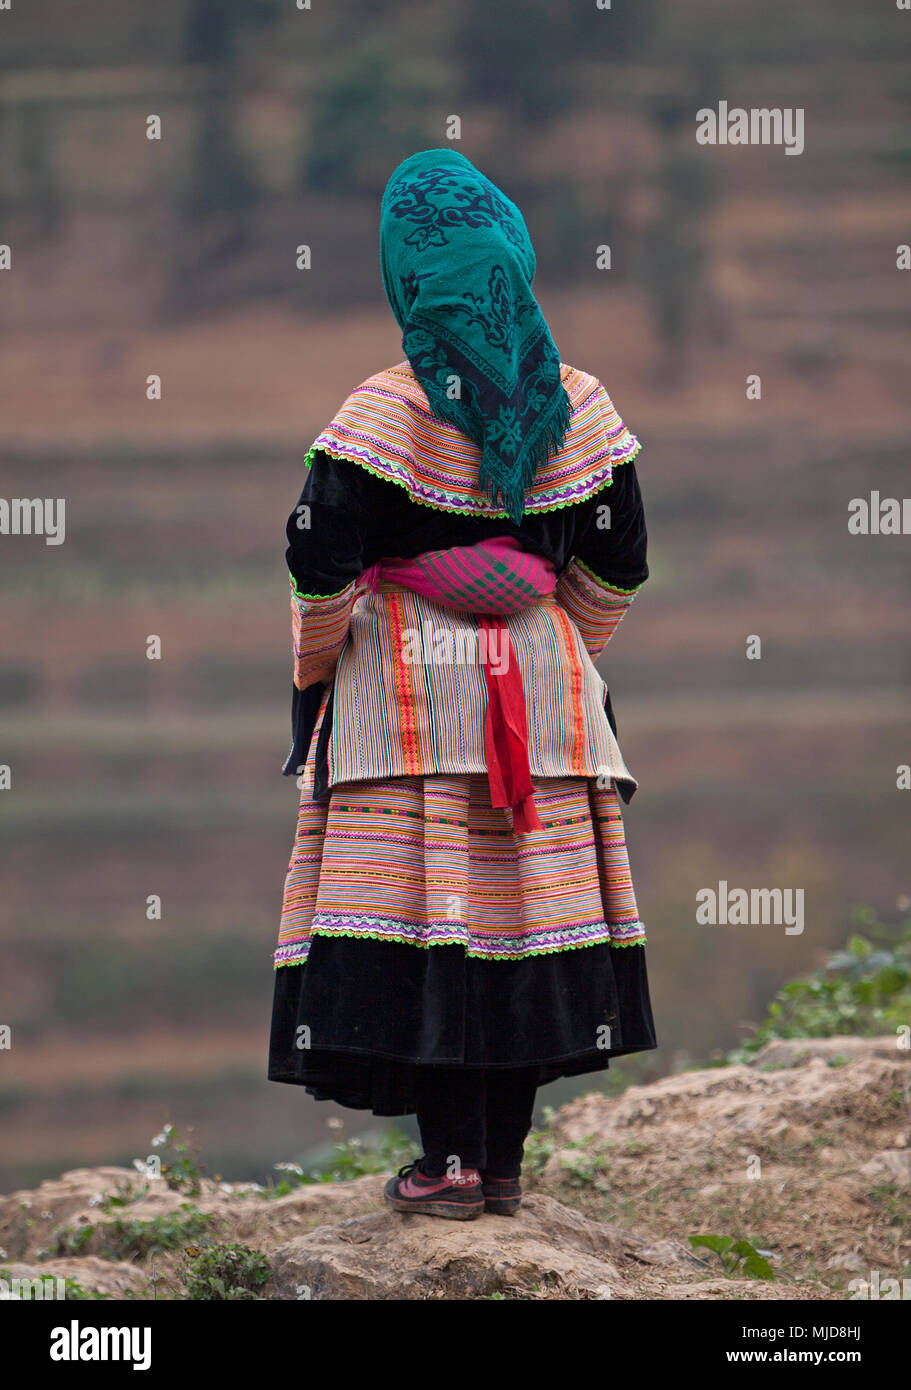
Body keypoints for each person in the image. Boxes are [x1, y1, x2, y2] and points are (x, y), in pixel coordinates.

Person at [268, 147, 656, 1221]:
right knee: (525, 928)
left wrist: (315, 676)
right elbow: (619, 557)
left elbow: (320, 561)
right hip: (543, 709)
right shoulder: (582, 407)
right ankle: (502, 1163)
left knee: (438, 928)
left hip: (404, 710)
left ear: (408, 278)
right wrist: (550, 646)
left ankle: (445, 1165)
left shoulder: (380, 414)